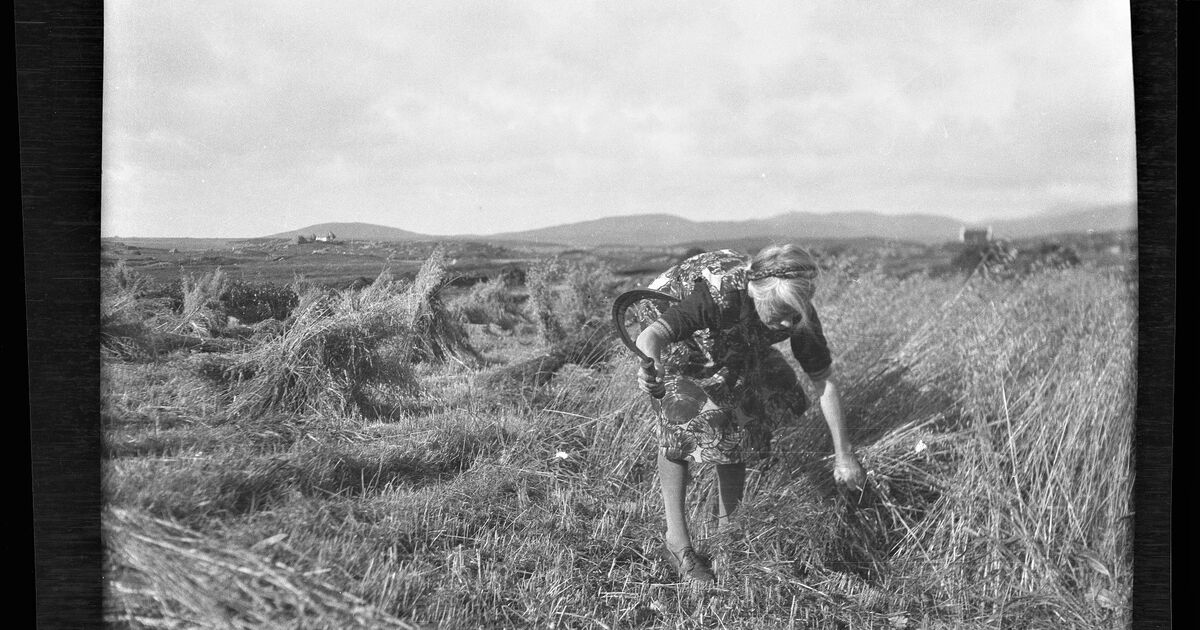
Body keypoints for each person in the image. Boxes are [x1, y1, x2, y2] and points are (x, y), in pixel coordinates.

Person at [633, 244, 865, 583]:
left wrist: (844, 456)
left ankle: (727, 540)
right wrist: (650, 367)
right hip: (671, 317)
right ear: (758, 292)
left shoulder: (797, 313)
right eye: (782, 312)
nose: (788, 322)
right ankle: (677, 542)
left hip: (734, 331)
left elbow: (822, 379)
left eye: (795, 313)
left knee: (743, 420)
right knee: (682, 417)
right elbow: (652, 335)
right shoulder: (717, 295)